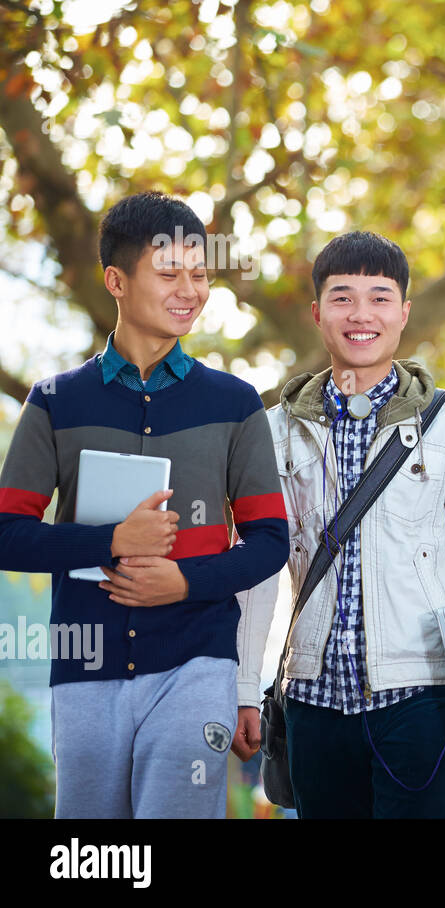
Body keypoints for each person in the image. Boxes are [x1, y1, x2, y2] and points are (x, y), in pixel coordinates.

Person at [0, 191, 290, 817]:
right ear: (117, 280)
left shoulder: (235, 404)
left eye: (201, 275)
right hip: (86, 668)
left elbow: (271, 539)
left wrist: (183, 581)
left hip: (197, 664)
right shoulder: (56, 402)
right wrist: (108, 541)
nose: (190, 290)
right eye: (169, 274)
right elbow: (6, 533)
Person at [235, 230, 445, 818]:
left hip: (420, 694)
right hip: (311, 696)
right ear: (317, 313)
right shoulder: (275, 430)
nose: (361, 314)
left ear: (404, 312)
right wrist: (240, 689)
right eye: (343, 297)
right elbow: (257, 573)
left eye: (380, 297)